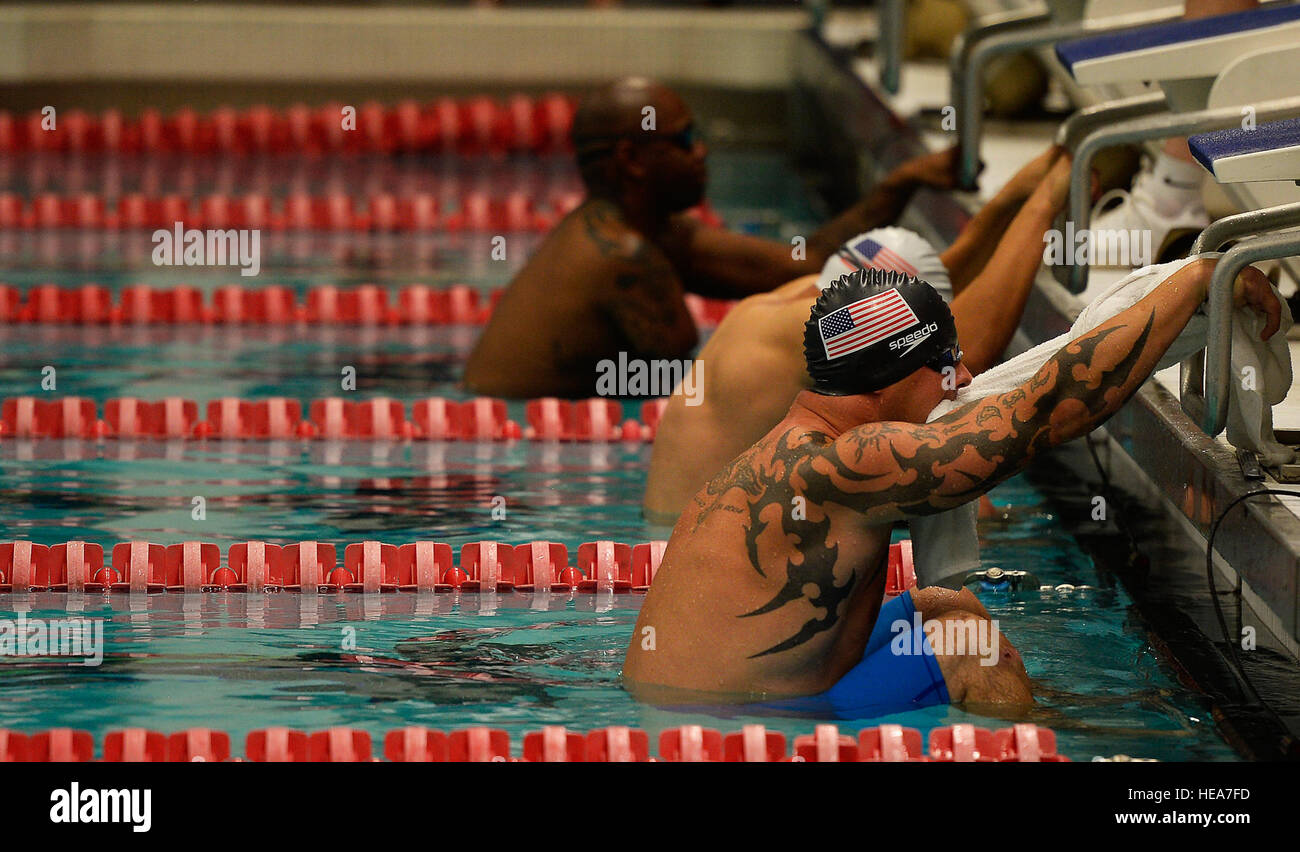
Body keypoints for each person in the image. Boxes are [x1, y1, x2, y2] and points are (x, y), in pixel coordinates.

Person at [622, 259, 1279, 711]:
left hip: (697, 702)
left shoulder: (790, 446)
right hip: (734, 732)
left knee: (948, 609)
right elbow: (1052, 410)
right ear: (886, 377)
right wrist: (1197, 281)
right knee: (971, 649)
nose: (962, 376)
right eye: (943, 360)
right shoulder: (852, 463)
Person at [643, 147, 1073, 524]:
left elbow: (935, 286)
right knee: (972, 508)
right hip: (704, 555)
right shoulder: (813, 329)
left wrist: (1011, 200)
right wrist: (1043, 207)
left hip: (676, 536)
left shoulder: (795, 303)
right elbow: (968, 351)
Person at [463, 76, 964, 399]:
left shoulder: (657, 234)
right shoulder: (624, 258)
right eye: (683, 140)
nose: (702, 151)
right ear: (631, 160)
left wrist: (904, 181)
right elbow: (691, 393)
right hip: (513, 452)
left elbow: (808, 261)